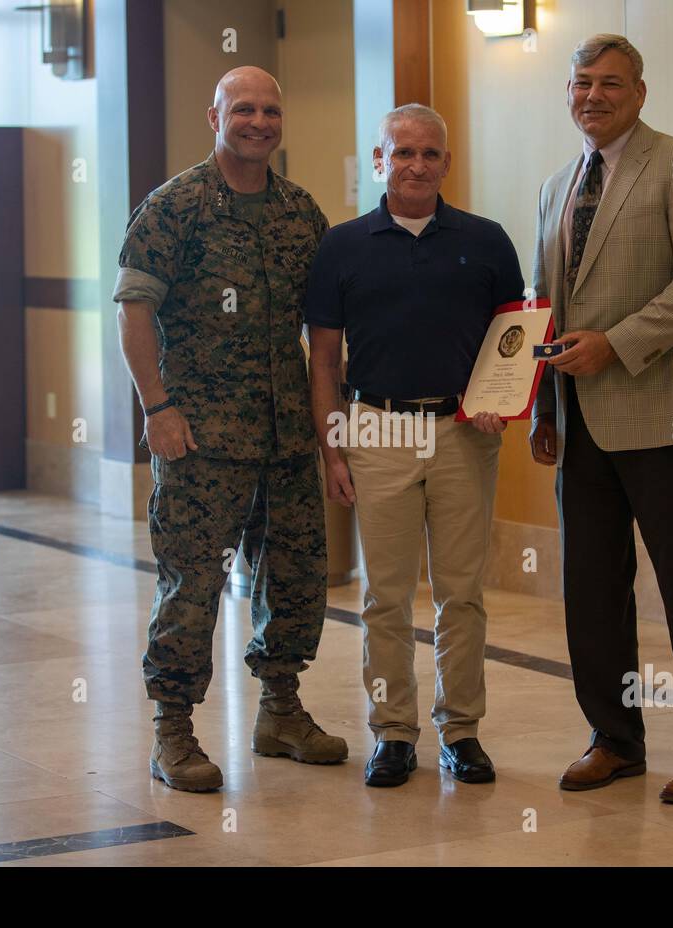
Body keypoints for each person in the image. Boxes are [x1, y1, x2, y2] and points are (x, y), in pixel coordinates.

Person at [530, 35, 673, 803]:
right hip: (581, 422)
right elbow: (544, 307)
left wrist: (617, 346)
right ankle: (615, 739)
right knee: (590, 588)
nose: (594, 96)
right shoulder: (558, 184)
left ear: (641, 93)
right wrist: (542, 409)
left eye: (611, 84)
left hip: (669, 419)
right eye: (582, 83)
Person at [113, 66, 347, 793]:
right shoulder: (175, 206)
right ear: (212, 115)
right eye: (242, 108)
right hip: (200, 438)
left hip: (284, 439)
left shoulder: (301, 213)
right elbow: (133, 311)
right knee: (193, 583)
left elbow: (323, 335)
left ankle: (280, 709)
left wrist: (325, 432)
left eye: (270, 109)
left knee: (298, 576)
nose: (258, 120)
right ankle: (172, 732)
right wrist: (157, 408)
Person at [305, 104, 524, 788]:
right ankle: (393, 733)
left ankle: (461, 731)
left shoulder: (488, 241)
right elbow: (323, 360)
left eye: (430, 154)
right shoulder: (341, 246)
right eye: (403, 153)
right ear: (380, 161)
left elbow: (512, 338)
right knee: (385, 596)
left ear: (447, 164)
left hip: (462, 434)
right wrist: (333, 449)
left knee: (461, 594)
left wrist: (497, 400)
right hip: (376, 430)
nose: (417, 165)